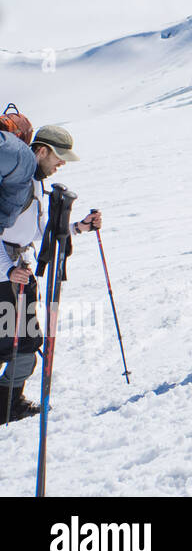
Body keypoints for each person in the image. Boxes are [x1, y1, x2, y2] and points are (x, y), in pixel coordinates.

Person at [2, 125, 101, 424]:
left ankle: (9, 404)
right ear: (41, 151)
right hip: (7, 278)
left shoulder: (32, 186)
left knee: (26, 344)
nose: (61, 165)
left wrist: (79, 227)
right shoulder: (16, 188)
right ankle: (7, 406)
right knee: (15, 345)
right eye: (59, 157)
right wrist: (7, 269)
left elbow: (37, 233)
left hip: (17, 276)